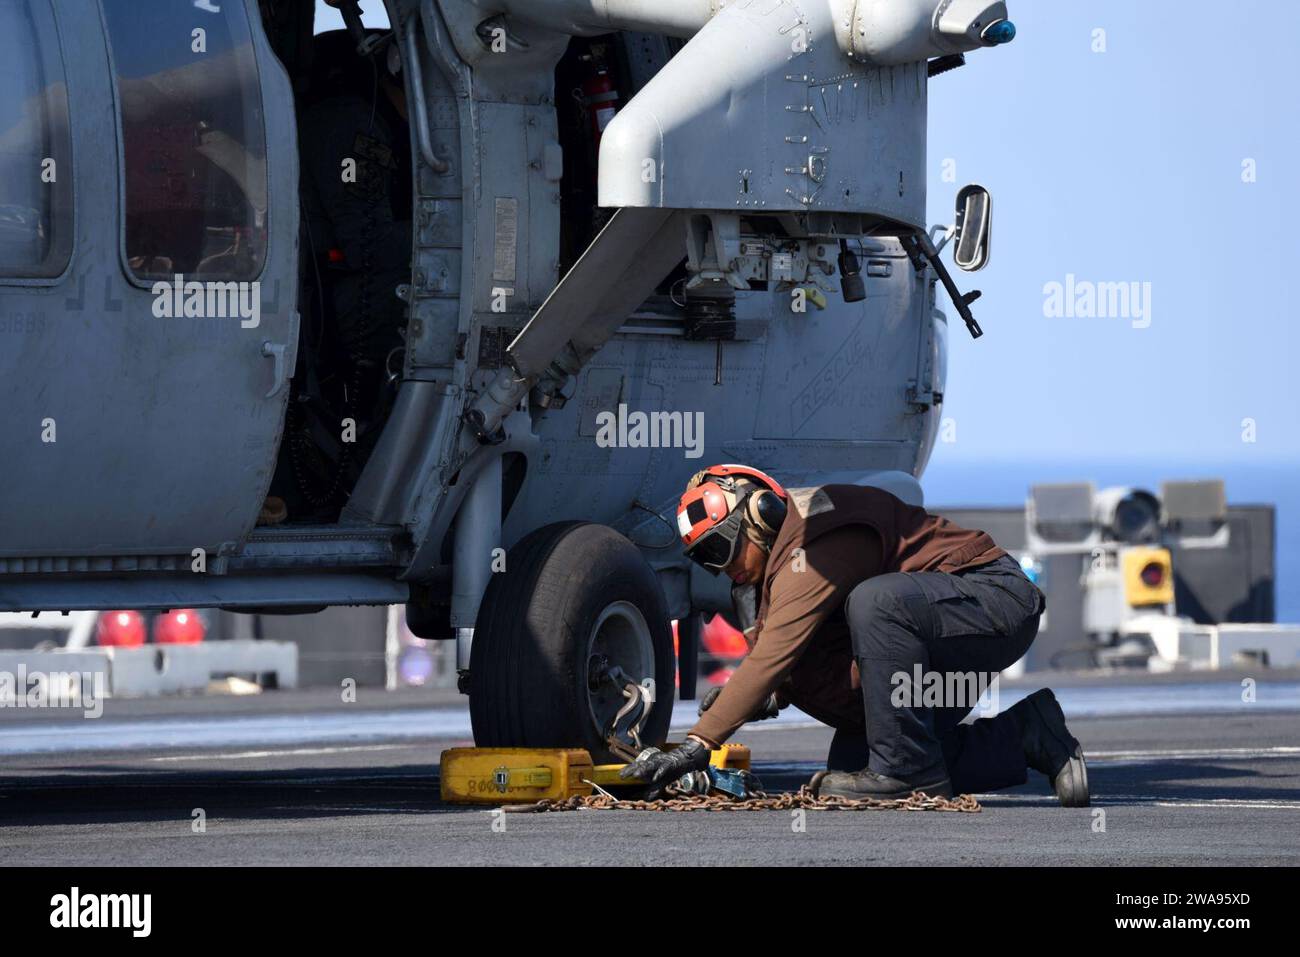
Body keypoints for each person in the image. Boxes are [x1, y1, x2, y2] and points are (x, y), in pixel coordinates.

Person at [621, 464, 1090, 806]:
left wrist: (698, 743)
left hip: (993, 598)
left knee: (877, 602)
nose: (723, 567)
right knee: (854, 767)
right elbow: (787, 657)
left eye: (721, 547)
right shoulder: (783, 567)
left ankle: (906, 774)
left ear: (761, 512)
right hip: (933, 649)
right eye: (707, 560)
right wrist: (774, 694)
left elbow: (776, 651)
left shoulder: (815, 539)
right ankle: (1029, 733)